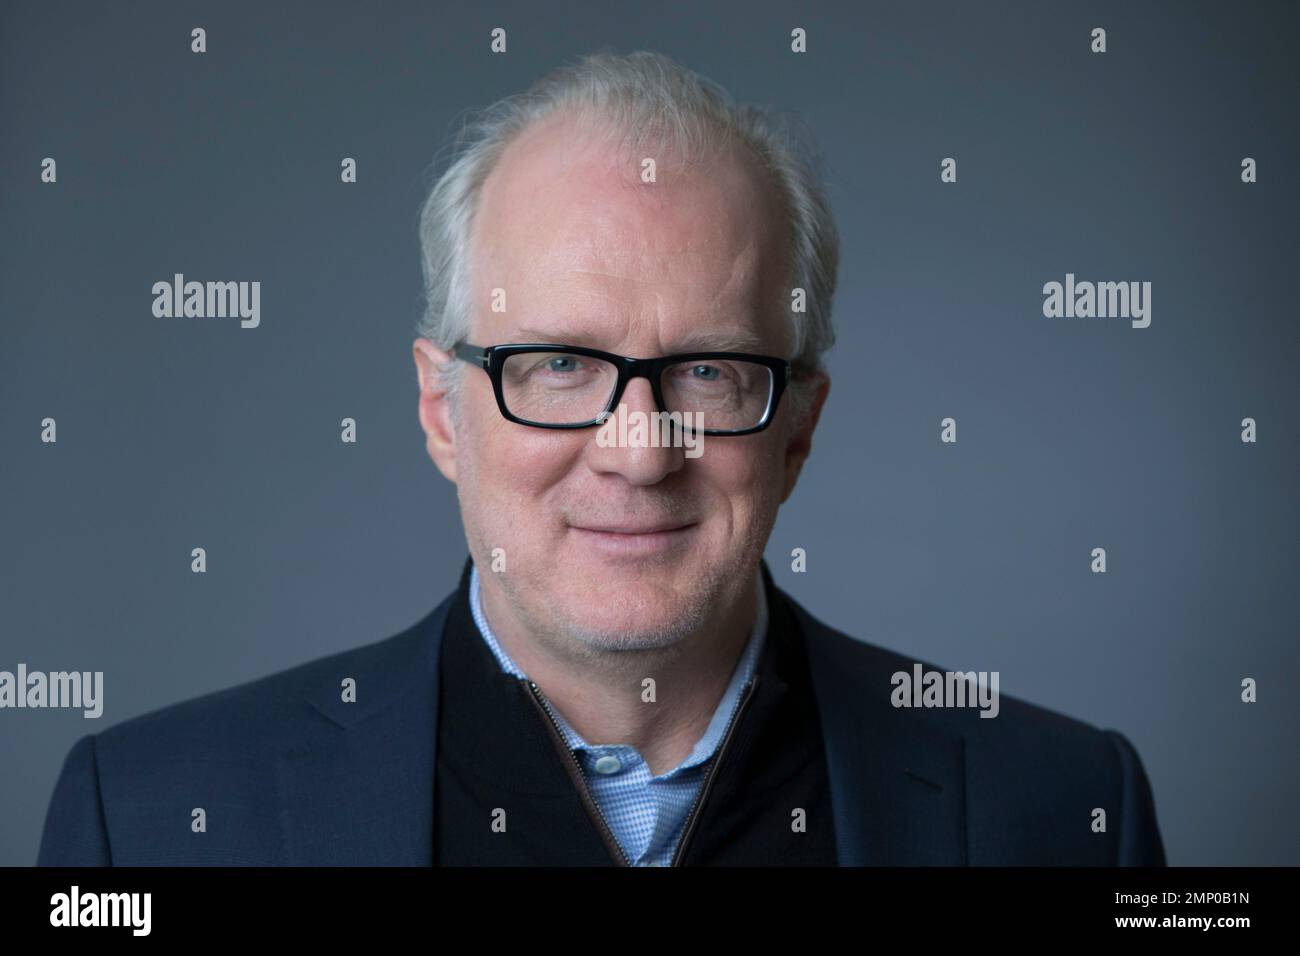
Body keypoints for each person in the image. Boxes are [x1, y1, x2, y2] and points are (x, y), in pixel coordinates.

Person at [37, 50, 1165, 867]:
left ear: (798, 429)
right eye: (560, 364)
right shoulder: (142, 823)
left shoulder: (1067, 813)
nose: (638, 450)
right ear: (442, 408)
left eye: (711, 369)